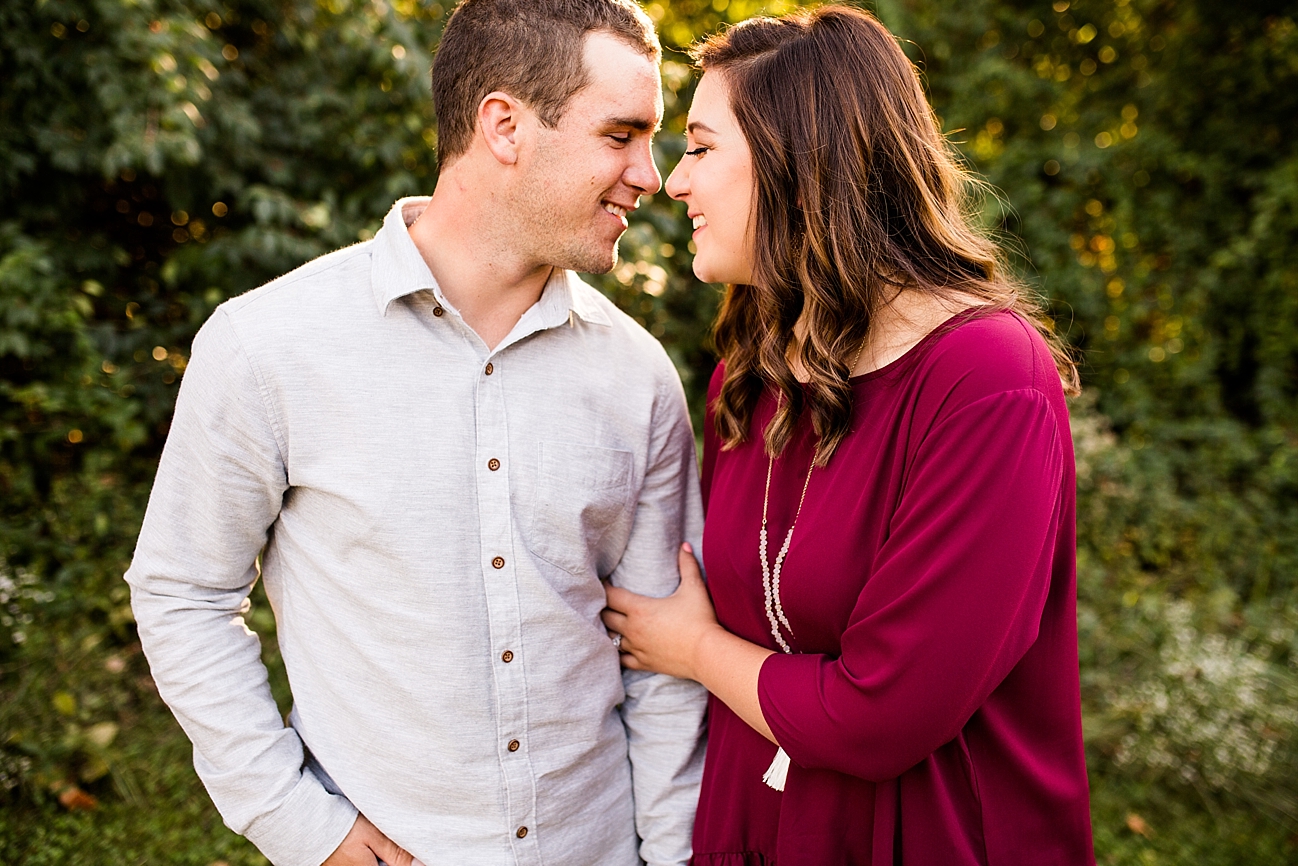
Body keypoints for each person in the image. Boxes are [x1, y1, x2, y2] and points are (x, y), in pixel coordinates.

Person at [125, 1, 707, 864]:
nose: (649, 175)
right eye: (621, 134)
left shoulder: (638, 376)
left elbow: (658, 659)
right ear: (504, 126)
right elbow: (182, 592)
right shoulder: (267, 345)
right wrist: (298, 824)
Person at [602, 7, 1096, 865]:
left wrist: (692, 649)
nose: (673, 184)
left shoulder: (987, 379)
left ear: (802, 165)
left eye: (702, 148)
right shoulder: (748, 378)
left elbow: (882, 715)